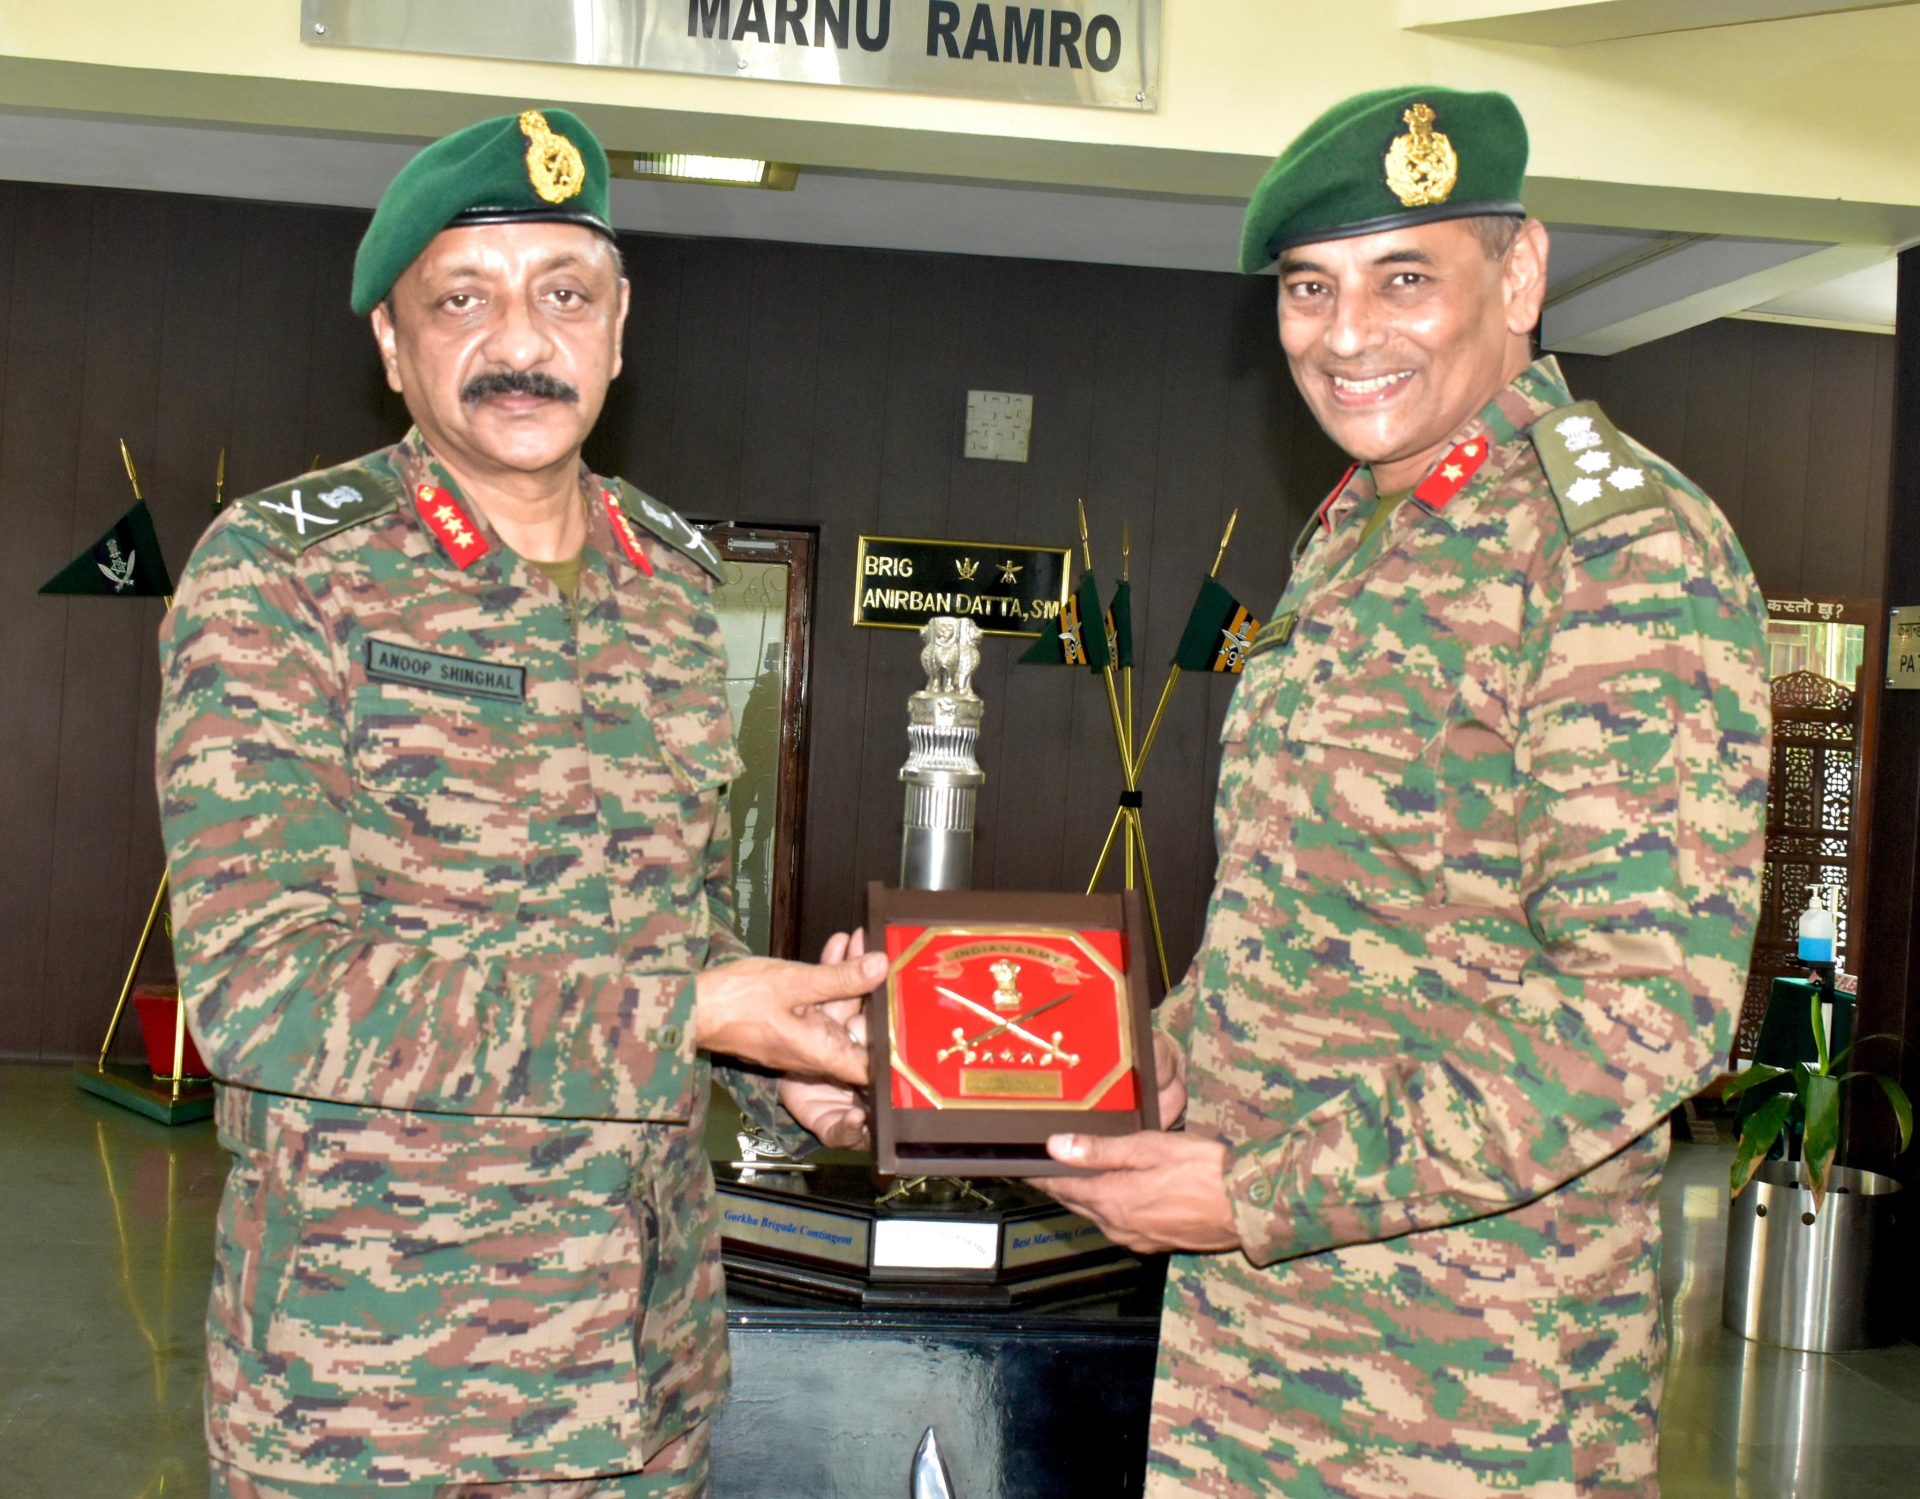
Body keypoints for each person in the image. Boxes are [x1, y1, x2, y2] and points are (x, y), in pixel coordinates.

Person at [1037, 86, 1772, 1496]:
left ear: (1523, 276)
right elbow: (1312, 925)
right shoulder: (1363, 534)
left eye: (1405, 277)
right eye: (1309, 288)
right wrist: (1174, 1057)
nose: (1347, 333)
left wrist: (1255, 1193)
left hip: (1467, 1403)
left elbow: (1641, 1010)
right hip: (1259, 1368)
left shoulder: (1613, 552)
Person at [155, 108, 883, 1498]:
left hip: (639, 1365)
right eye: (463, 298)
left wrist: (776, 1059)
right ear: (390, 339)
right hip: (381, 1394)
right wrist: (683, 1015)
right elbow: (263, 992)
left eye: (564, 293)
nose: (520, 343)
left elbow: (668, 928)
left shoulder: (671, 581)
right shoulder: (281, 576)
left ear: (618, 325)